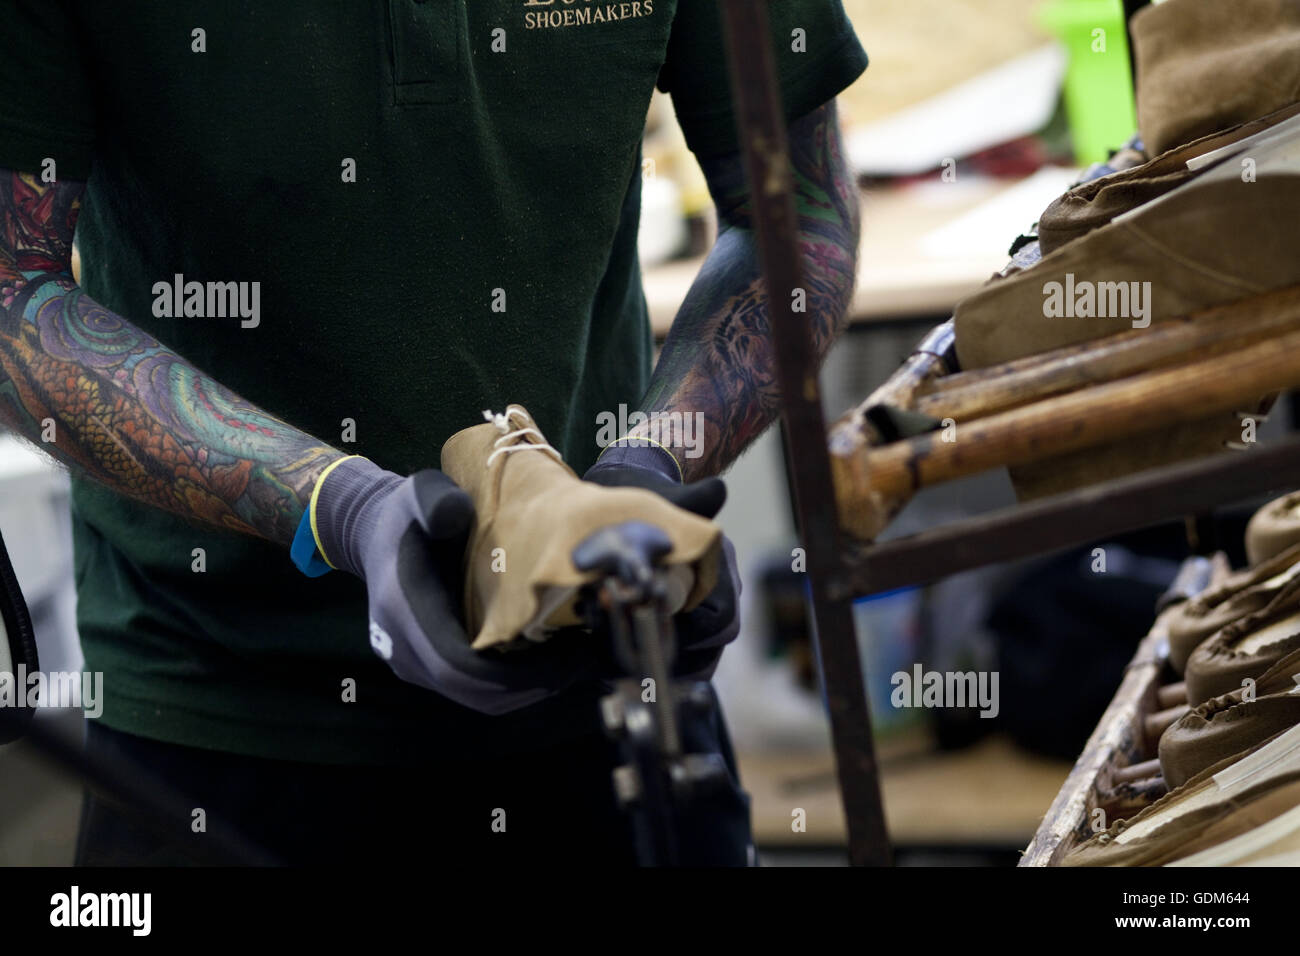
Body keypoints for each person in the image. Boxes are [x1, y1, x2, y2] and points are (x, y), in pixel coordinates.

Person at [0, 0, 867, 865]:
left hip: (606, 689)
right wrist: (340, 510)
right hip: (220, 731)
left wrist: (655, 465)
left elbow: (798, 211)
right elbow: (11, 291)